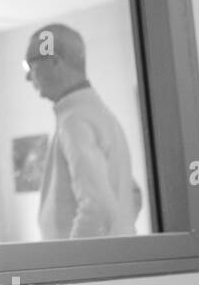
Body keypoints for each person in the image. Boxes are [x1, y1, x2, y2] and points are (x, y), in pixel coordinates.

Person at [22, 24, 140, 239]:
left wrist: (70, 266)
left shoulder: (74, 121)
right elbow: (133, 196)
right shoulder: (101, 115)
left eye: (31, 65)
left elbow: (97, 207)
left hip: (84, 266)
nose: (28, 78)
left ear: (54, 61)